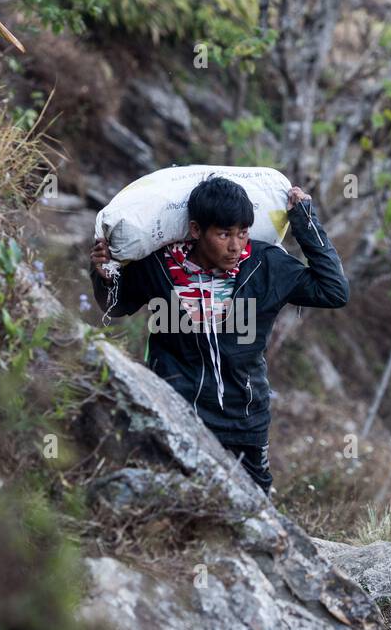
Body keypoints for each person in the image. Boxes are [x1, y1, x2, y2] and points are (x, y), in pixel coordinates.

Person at [88, 174, 349, 493]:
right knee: (176, 503)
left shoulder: (265, 265)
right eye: (224, 234)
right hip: (175, 414)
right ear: (196, 230)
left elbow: (334, 291)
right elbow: (114, 306)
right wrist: (103, 274)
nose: (236, 245)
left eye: (242, 233)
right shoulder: (157, 266)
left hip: (245, 420)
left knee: (255, 506)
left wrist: (306, 222)